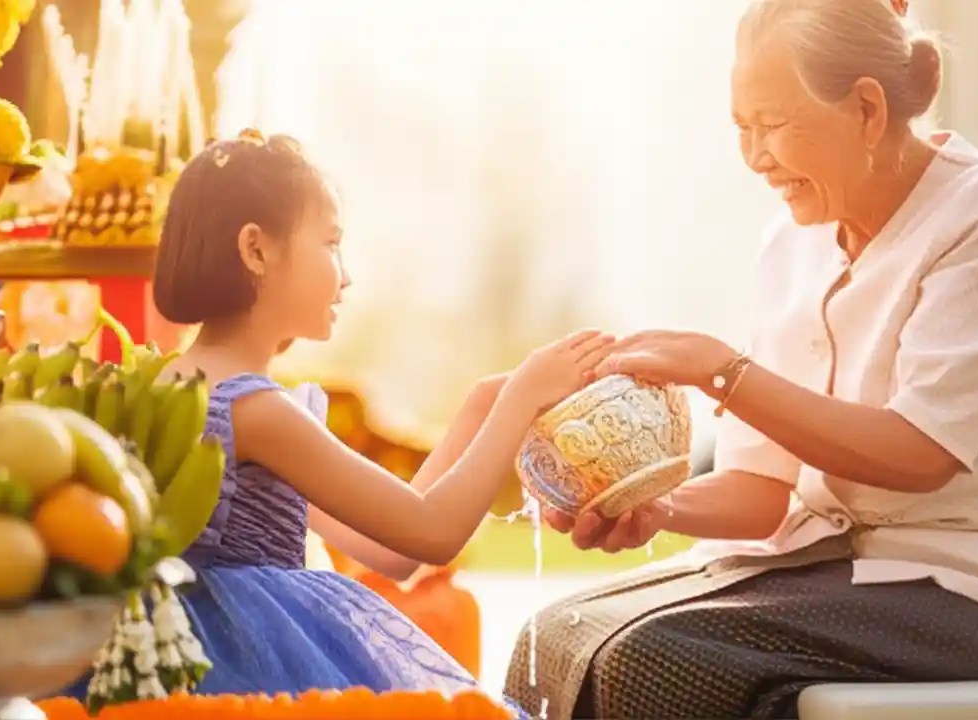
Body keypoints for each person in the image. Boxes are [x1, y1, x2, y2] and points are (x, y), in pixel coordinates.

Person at [506, 0, 978, 718]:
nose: (754, 157)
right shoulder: (790, 242)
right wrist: (657, 507)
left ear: (868, 110)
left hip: (975, 591)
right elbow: (761, 490)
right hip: (816, 569)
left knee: (659, 660)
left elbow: (921, 452)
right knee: (553, 635)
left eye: (772, 125)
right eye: (742, 130)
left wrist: (724, 372)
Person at [82, 129, 613, 710]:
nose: (346, 274)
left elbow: (394, 553)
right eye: (331, 243)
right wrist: (523, 400)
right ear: (256, 250)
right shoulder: (256, 411)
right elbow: (433, 535)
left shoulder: (175, 384)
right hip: (242, 671)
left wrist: (479, 409)